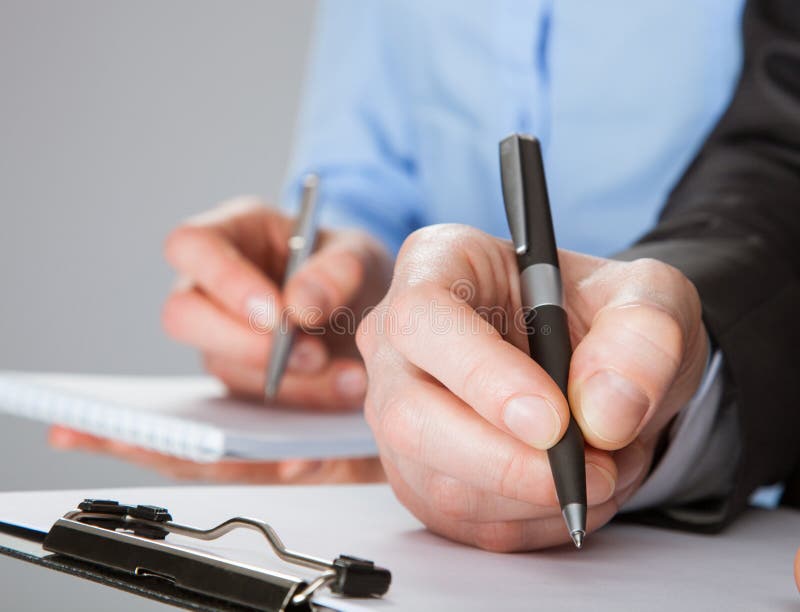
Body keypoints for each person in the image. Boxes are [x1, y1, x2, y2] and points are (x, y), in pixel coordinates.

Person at [52, 0, 800, 551]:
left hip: (734, 504)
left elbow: (783, 148)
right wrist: (346, 296)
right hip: (402, 500)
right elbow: (360, 176)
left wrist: (682, 354)